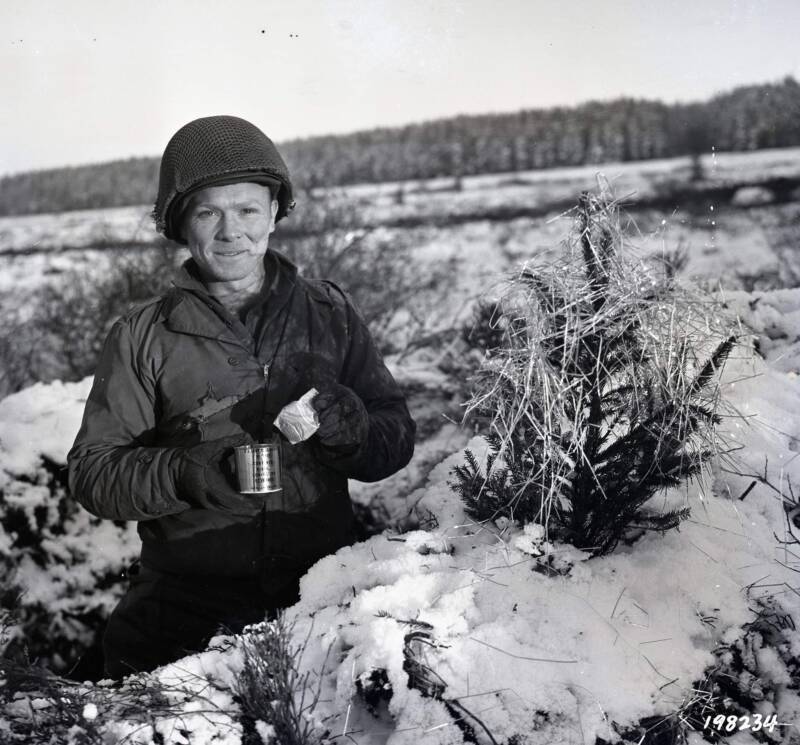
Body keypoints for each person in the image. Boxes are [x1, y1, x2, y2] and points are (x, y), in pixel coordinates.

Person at [67, 115, 416, 679]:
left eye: (249, 210)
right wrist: (183, 474)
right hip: (183, 611)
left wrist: (355, 428)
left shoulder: (329, 313)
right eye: (209, 212)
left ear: (276, 213)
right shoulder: (142, 335)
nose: (231, 232)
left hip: (320, 601)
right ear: (182, 224)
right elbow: (93, 473)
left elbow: (394, 439)